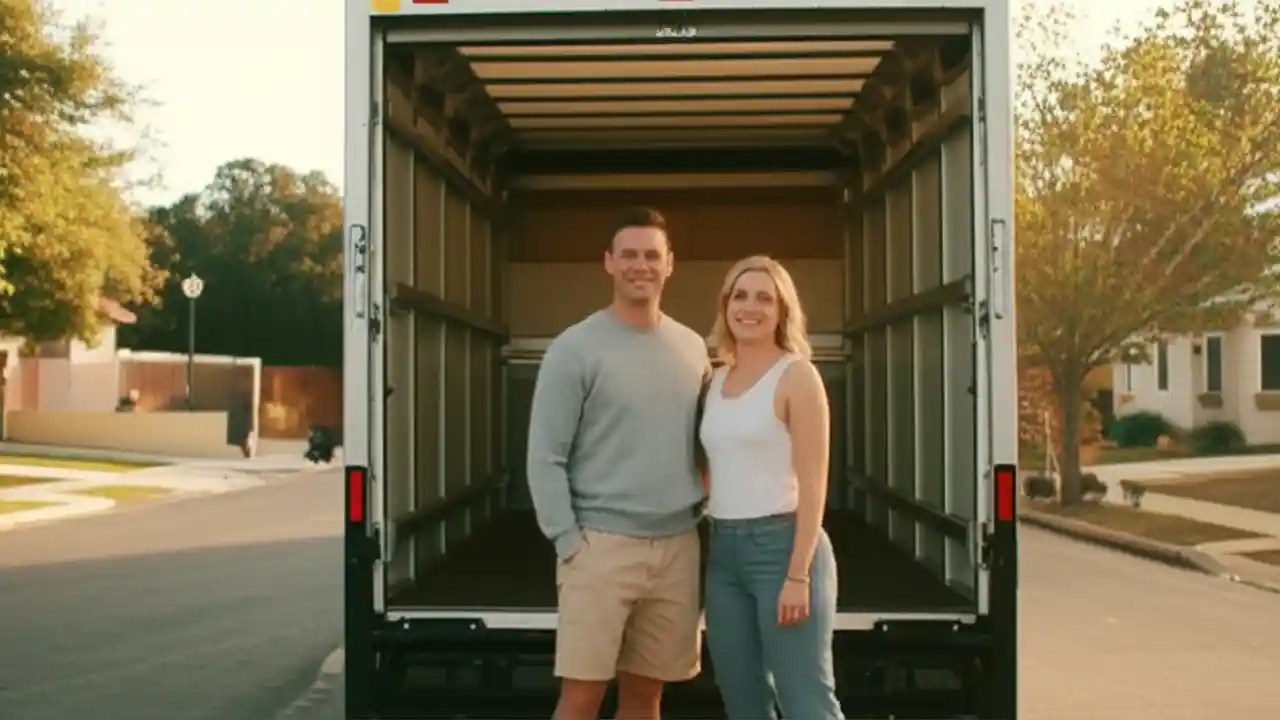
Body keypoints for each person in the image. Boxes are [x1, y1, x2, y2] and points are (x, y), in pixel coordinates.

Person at [525, 207, 711, 720]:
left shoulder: (693, 348)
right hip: (600, 549)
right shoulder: (574, 349)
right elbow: (545, 456)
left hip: (677, 548)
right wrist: (569, 542)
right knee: (582, 698)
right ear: (608, 262)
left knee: (647, 695)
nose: (640, 265)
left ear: (670, 264)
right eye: (628, 255)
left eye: (652, 255)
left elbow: (705, 442)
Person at [696, 254, 844, 720]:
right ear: (725, 306)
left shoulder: (797, 376)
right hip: (724, 556)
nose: (750, 307)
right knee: (742, 701)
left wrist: (798, 574)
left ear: (783, 311)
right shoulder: (715, 379)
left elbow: (814, 481)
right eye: (740, 296)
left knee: (807, 703)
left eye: (765, 298)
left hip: (783, 550)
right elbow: (711, 465)